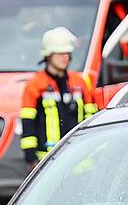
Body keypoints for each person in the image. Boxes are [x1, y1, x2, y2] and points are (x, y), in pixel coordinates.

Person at [20, 27, 99, 168]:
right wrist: (31, 158)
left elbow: (92, 118)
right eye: (61, 53)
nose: (66, 57)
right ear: (48, 55)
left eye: (68, 53)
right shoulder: (35, 85)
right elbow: (28, 126)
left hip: (80, 158)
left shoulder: (80, 82)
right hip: (48, 162)